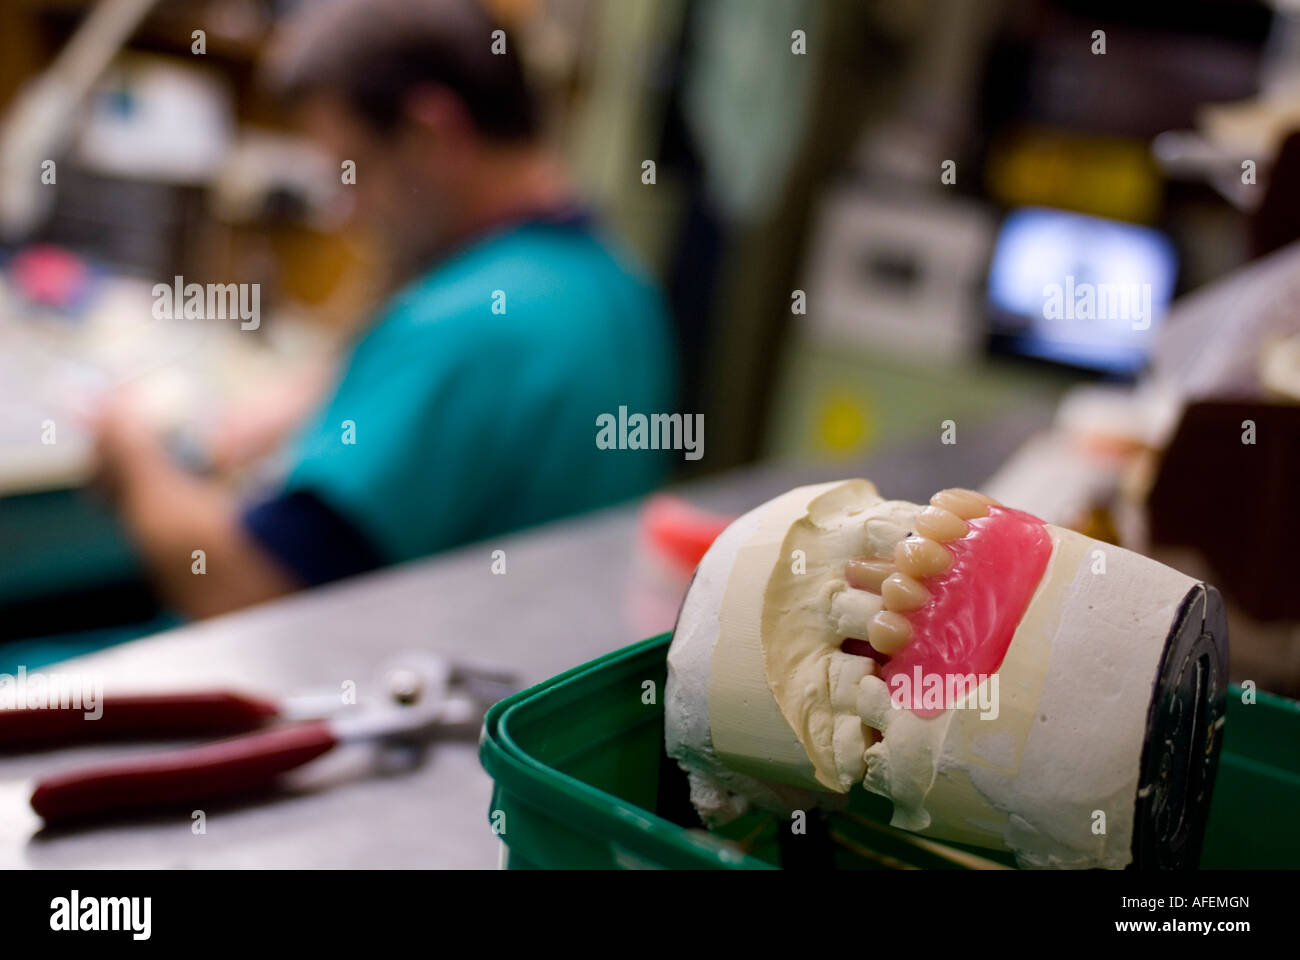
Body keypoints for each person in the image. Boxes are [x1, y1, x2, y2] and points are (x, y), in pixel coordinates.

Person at [94, 0, 676, 619]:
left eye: (352, 171)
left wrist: (130, 454)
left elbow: (244, 586)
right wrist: (339, 385)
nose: (346, 209)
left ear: (429, 134)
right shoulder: (613, 284)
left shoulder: (464, 328)